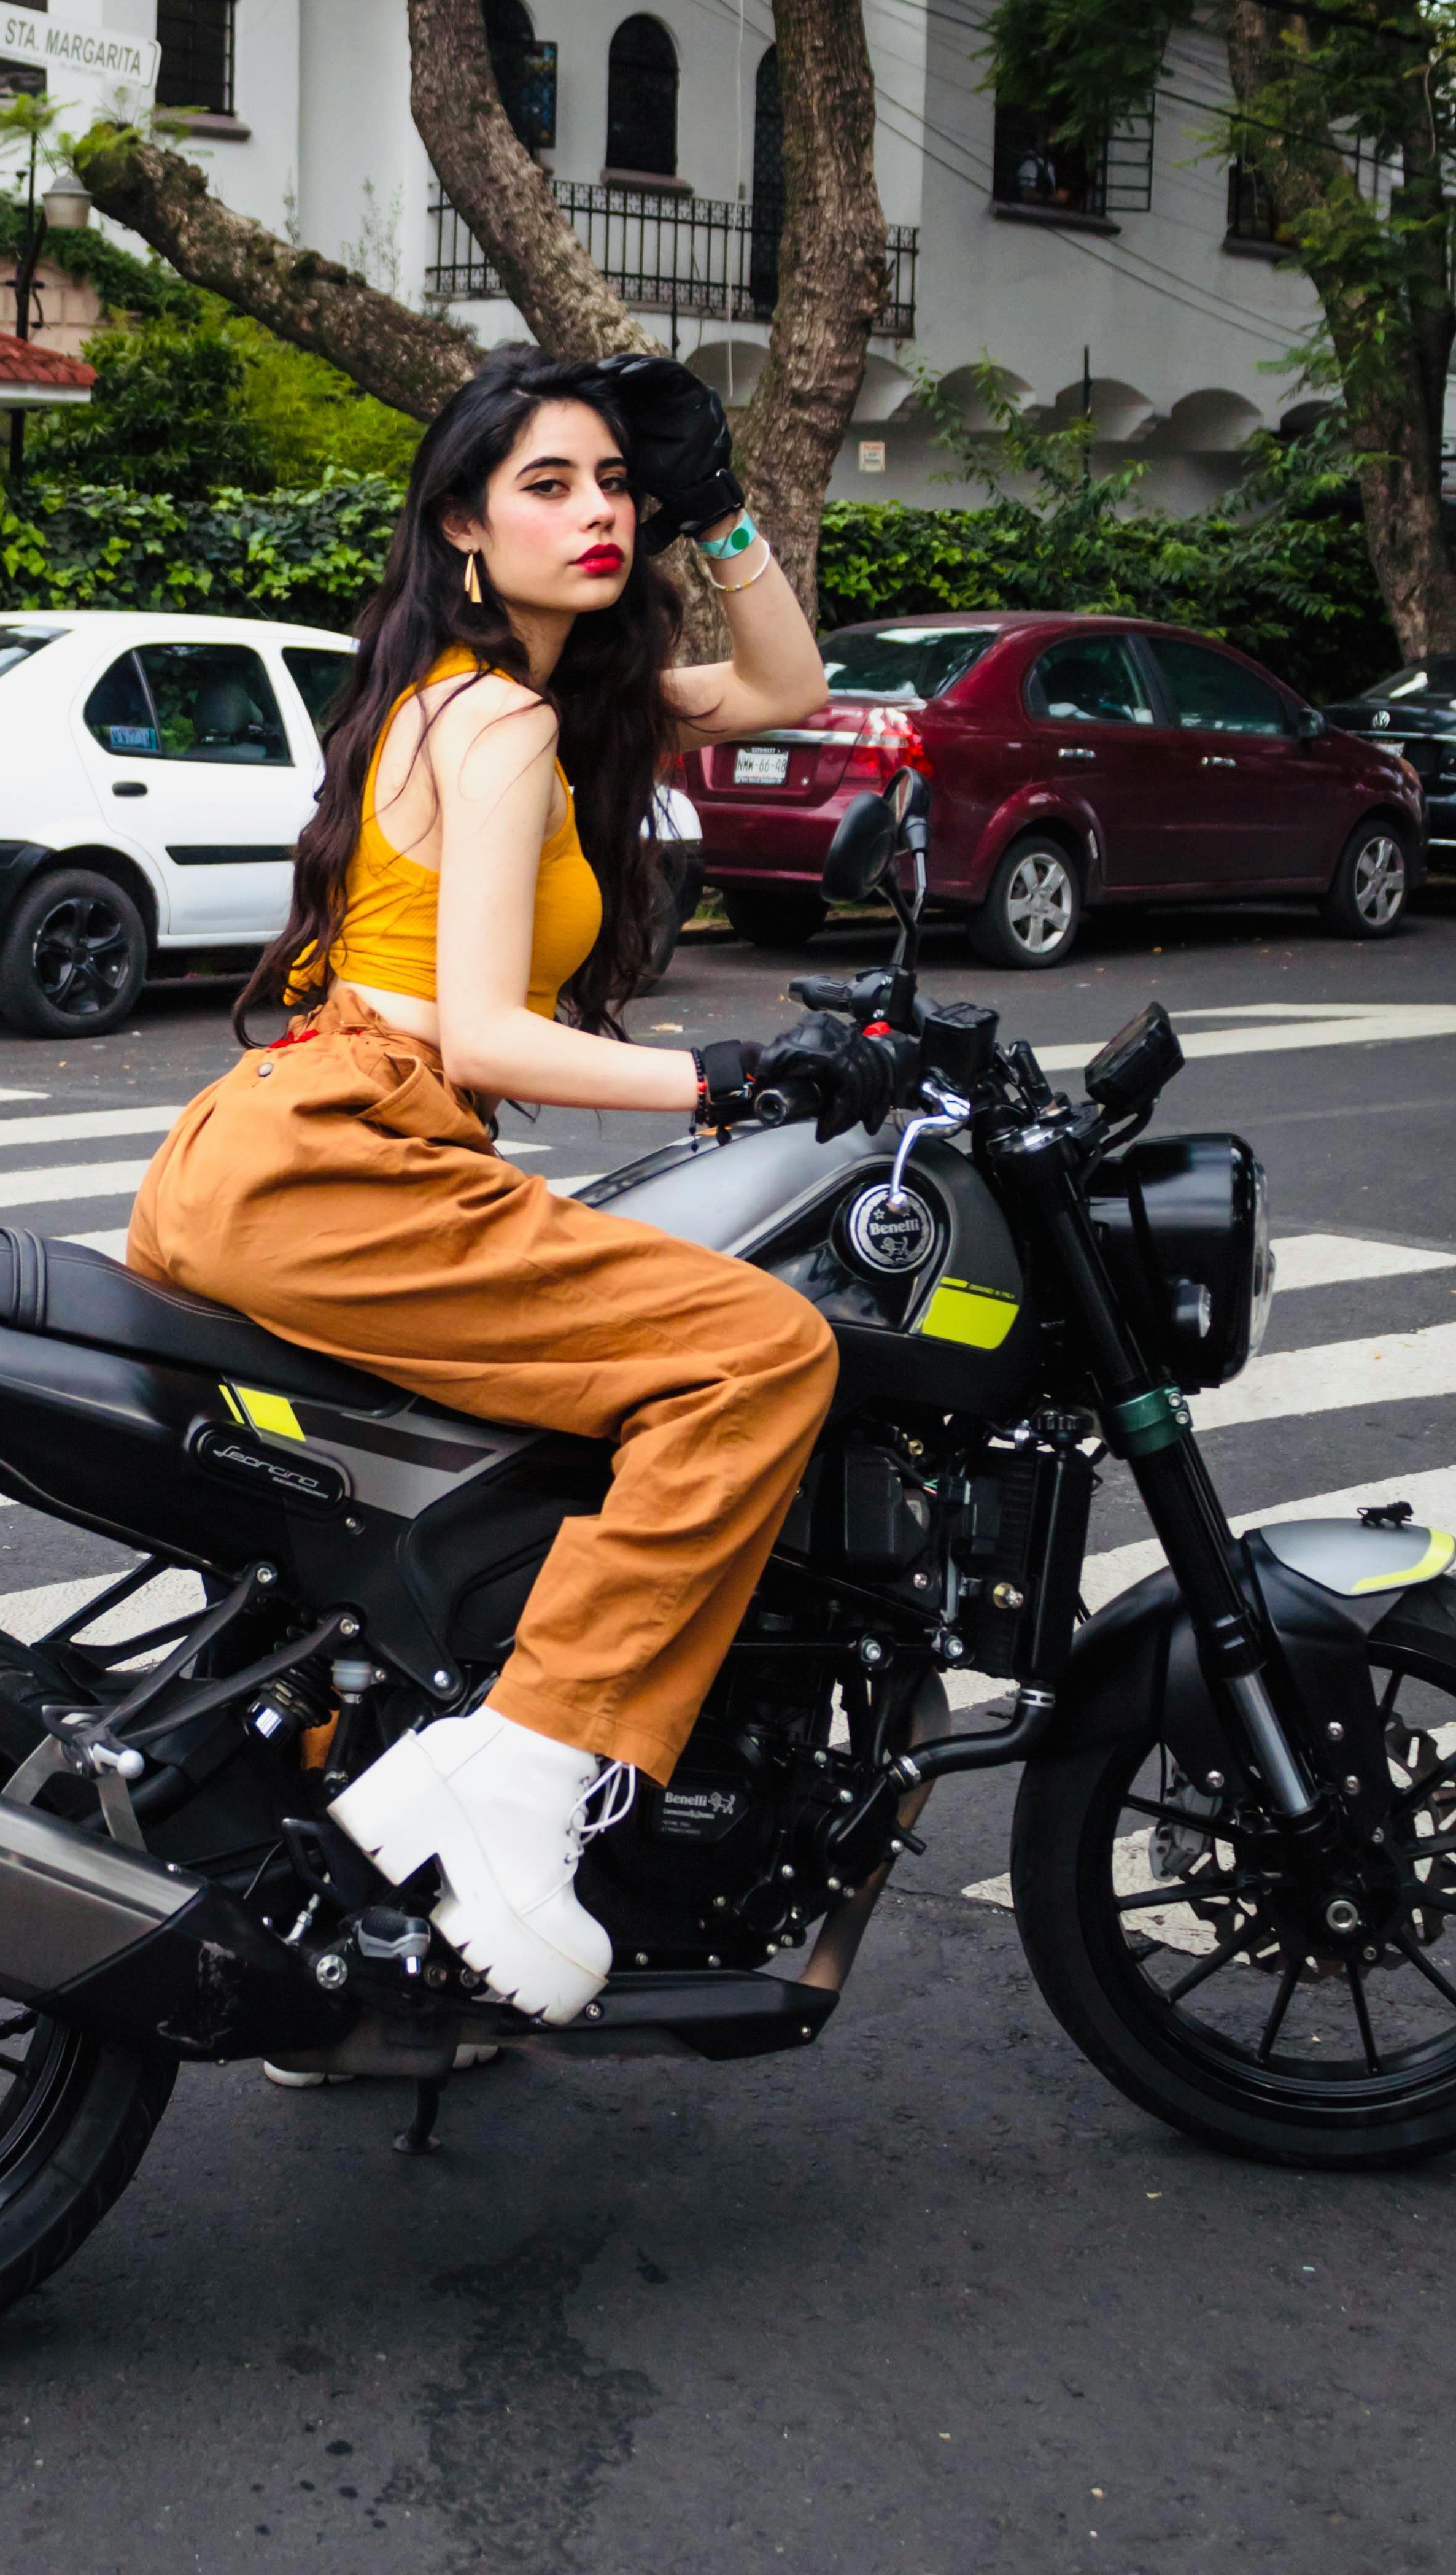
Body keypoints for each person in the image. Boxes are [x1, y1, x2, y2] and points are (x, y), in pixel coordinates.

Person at [125, 347, 901, 2025]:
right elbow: (485, 1027)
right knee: (763, 1354)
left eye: (615, 485)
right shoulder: (496, 715)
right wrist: (728, 1075)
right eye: (550, 486)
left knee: (415, 1531)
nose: (597, 513)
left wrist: (725, 512)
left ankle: (355, 1933)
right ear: (467, 528)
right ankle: (530, 1770)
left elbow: (782, 685)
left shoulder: (547, 697)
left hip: (299, 1148)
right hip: (352, 1162)